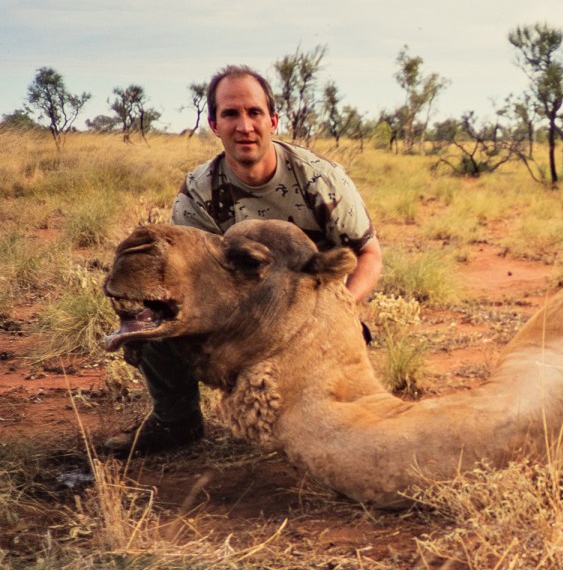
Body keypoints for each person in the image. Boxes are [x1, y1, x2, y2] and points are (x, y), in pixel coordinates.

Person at [102, 65, 383, 457]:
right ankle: (175, 421)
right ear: (215, 125)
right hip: (240, 314)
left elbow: (368, 254)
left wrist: (344, 310)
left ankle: (342, 417)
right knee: (157, 326)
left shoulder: (321, 179)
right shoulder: (198, 192)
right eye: (231, 114)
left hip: (313, 308)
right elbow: (187, 280)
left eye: (254, 113)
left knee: (344, 407)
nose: (244, 125)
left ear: (273, 120)